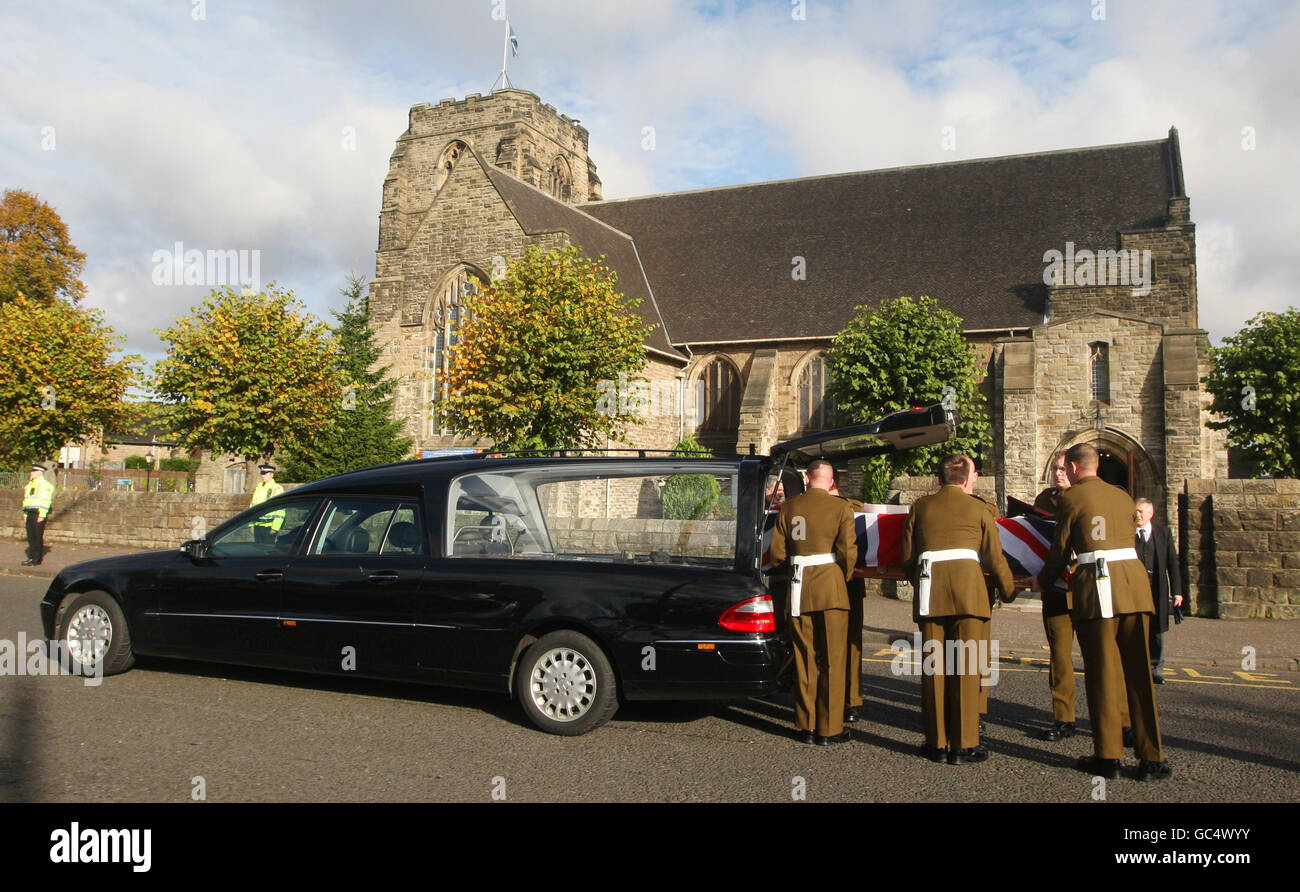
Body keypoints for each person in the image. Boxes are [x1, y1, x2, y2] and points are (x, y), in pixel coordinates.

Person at [1037, 443, 1171, 781]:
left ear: (1074, 467)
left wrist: (1043, 581)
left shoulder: (1071, 499)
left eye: (1064, 468)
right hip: (1134, 588)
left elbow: (1060, 548)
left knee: (1102, 674)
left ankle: (1108, 756)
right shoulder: (1124, 497)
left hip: (1098, 591)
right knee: (1138, 673)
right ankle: (1151, 758)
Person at [901, 454, 1015, 765]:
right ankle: (964, 745)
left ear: (938, 479)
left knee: (934, 668)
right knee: (967, 668)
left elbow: (907, 556)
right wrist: (1009, 589)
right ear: (967, 481)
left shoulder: (921, 507)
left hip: (931, 591)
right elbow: (994, 557)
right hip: (970, 594)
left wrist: (920, 580)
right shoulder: (979, 508)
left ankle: (937, 743)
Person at [768, 459, 857, 745]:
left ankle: (805, 725)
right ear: (831, 482)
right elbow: (847, 552)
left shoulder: (790, 507)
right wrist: (844, 575)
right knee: (832, 659)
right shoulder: (841, 507)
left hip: (798, 586)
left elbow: (778, 553)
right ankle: (829, 728)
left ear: (807, 478)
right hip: (830, 587)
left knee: (804, 658)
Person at [1034, 451, 1079, 742]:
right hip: (1055, 590)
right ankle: (1064, 718)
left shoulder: (1087, 497)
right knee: (1060, 656)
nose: (1058, 473)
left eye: (1063, 468)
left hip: (1086, 587)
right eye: (1054, 468)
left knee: (1103, 657)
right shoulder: (1044, 500)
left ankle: (1119, 721)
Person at [1135, 498, 1185, 684]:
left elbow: (1173, 563)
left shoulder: (1163, 533)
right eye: (1136, 511)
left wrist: (1177, 592)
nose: (1137, 515)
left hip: (1157, 589)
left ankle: (1156, 668)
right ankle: (1137, 666)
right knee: (1135, 627)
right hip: (1134, 589)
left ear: (1150, 513)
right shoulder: (1127, 533)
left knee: (1156, 630)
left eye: (1141, 511)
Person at [829, 475, 866, 726]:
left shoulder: (852, 506)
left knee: (849, 644)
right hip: (840, 582)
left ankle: (848, 699)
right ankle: (841, 699)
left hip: (845, 583)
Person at [21, 464, 55, 566]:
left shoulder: (44, 485)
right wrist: (25, 514)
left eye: (34, 471)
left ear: (40, 473)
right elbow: (27, 500)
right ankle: (32, 557)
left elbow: (46, 501)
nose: (31, 472)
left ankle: (36, 559)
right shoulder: (30, 484)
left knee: (37, 537)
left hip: (38, 514)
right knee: (31, 537)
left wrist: (42, 515)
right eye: (32, 471)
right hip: (30, 513)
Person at [249, 464, 285, 545]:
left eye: (265, 473)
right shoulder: (258, 488)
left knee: (268, 552)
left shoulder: (277, 489)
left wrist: (275, 527)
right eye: (262, 473)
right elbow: (252, 507)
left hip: (269, 526)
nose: (262, 475)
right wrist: (251, 524)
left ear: (272, 474)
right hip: (257, 525)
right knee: (258, 551)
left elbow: (280, 510)